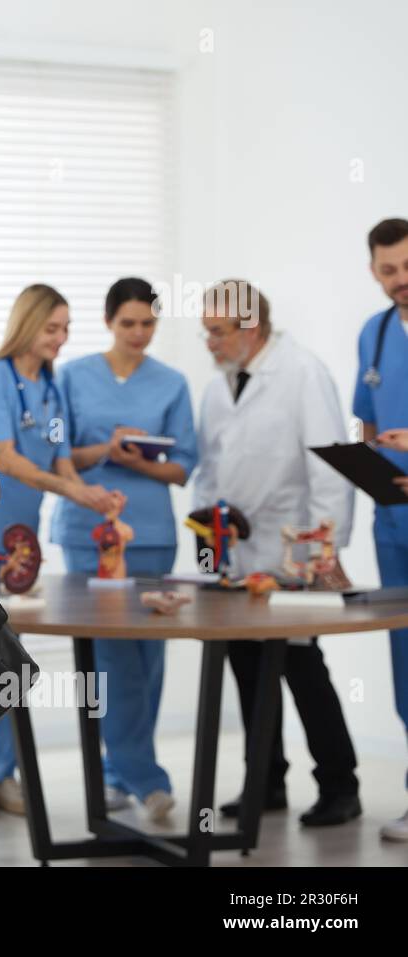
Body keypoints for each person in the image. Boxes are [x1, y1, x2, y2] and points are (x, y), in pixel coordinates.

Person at [0, 283, 123, 820]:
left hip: (22, 548)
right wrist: (69, 488)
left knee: (9, 665)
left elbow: (62, 457)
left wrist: (89, 494)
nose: (61, 339)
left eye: (67, 328)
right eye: (52, 328)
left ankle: (6, 774)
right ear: (27, 325)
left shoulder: (53, 388)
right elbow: (4, 457)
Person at [196, 279, 360, 827]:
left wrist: (324, 552)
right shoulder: (219, 386)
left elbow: (332, 469)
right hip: (237, 556)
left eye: (217, 332)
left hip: (294, 553)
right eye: (206, 333)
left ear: (251, 328)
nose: (210, 343)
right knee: (246, 666)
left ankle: (340, 785)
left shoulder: (303, 373)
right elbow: (208, 472)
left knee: (301, 665)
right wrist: (207, 541)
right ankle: (265, 782)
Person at [50, 277, 198, 823]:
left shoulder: (172, 383)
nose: (139, 333)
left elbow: (183, 467)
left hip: (153, 535)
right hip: (90, 535)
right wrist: (106, 450)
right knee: (111, 659)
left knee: (147, 658)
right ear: (109, 321)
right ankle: (147, 778)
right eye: (129, 323)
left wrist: (135, 459)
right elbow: (59, 457)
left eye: (149, 324)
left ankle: (117, 773)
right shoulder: (70, 378)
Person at [351, 216, 408, 842]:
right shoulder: (375, 334)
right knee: (405, 657)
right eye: (389, 271)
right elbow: (366, 423)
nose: (401, 281)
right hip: (392, 519)